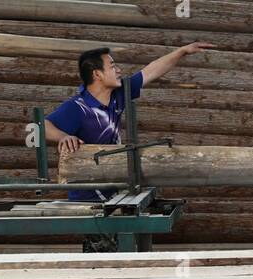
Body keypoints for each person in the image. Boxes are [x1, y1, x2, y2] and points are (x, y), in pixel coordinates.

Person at [43, 43, 215, 251]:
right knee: (104, 253)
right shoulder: (78, 107)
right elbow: (39, 126)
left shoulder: (118, 95)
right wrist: (63, 136)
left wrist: (181, 52)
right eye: (112, 65)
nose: (118, 70)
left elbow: (150, 71)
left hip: (115, 188)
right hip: (90, 197)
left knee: (125, 249)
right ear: (97, 74)